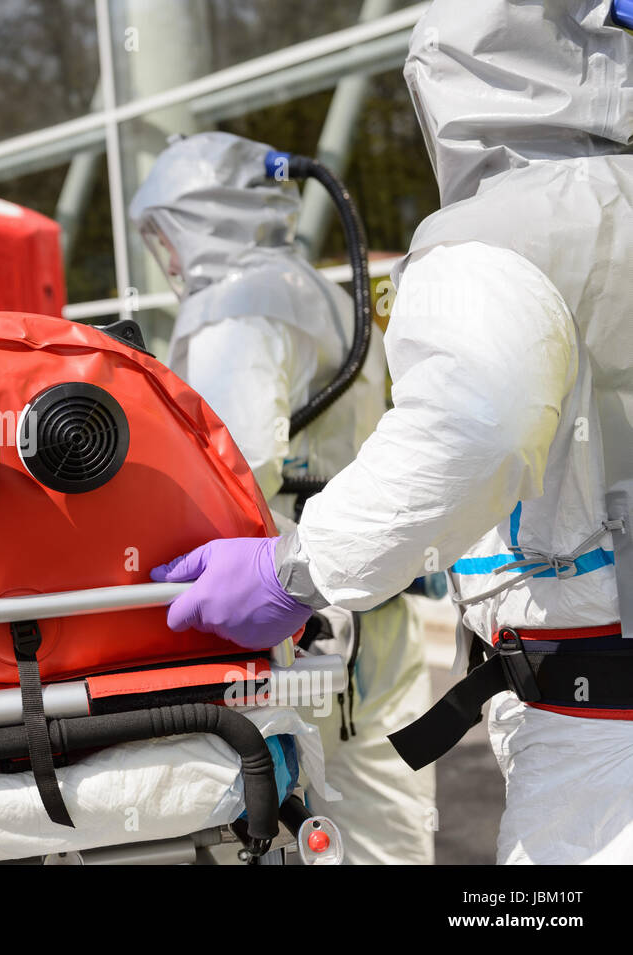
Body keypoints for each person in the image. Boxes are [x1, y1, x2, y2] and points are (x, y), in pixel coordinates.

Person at [152, 0, 633, 864]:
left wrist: (295, 567)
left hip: (601, 731)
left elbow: (476, 424)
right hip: (481, 650)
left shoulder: (498, 236)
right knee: (376, 809)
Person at [130, 131, 435, 865]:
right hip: (364, 605)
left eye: (167, 233)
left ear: (205, 218)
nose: (168, 258)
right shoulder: (311, 289)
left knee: (285, 818)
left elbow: (231, 468)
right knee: (383, 812)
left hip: (291, 613)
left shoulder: (240, 305)